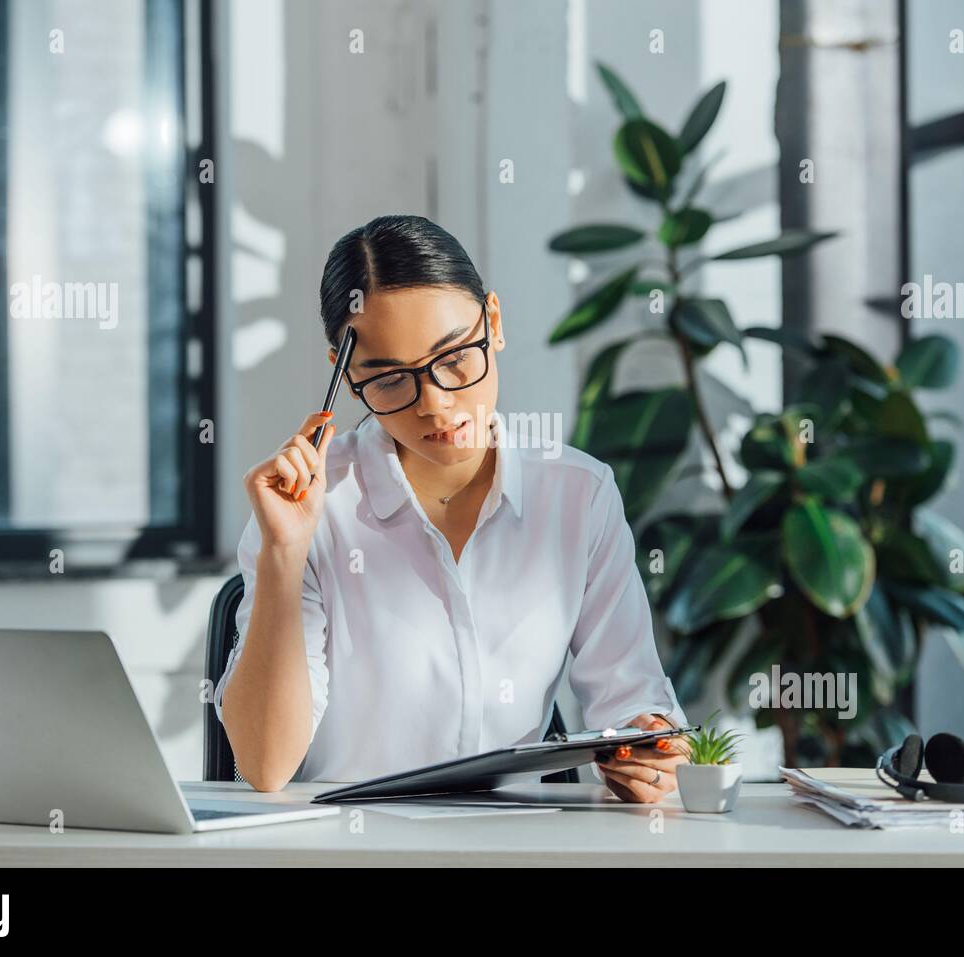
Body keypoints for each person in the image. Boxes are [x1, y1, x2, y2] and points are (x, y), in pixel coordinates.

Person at [214, 213, 689, 803]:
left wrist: (652, 751)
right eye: (389, 380)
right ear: (343, 371)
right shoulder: (311, 506)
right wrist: (283, 556)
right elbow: (264, 766)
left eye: (456, 359)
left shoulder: (577, 494)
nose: (437, 405)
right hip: (346, 850)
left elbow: (636, 704)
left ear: (492, 321)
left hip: (516, 846)